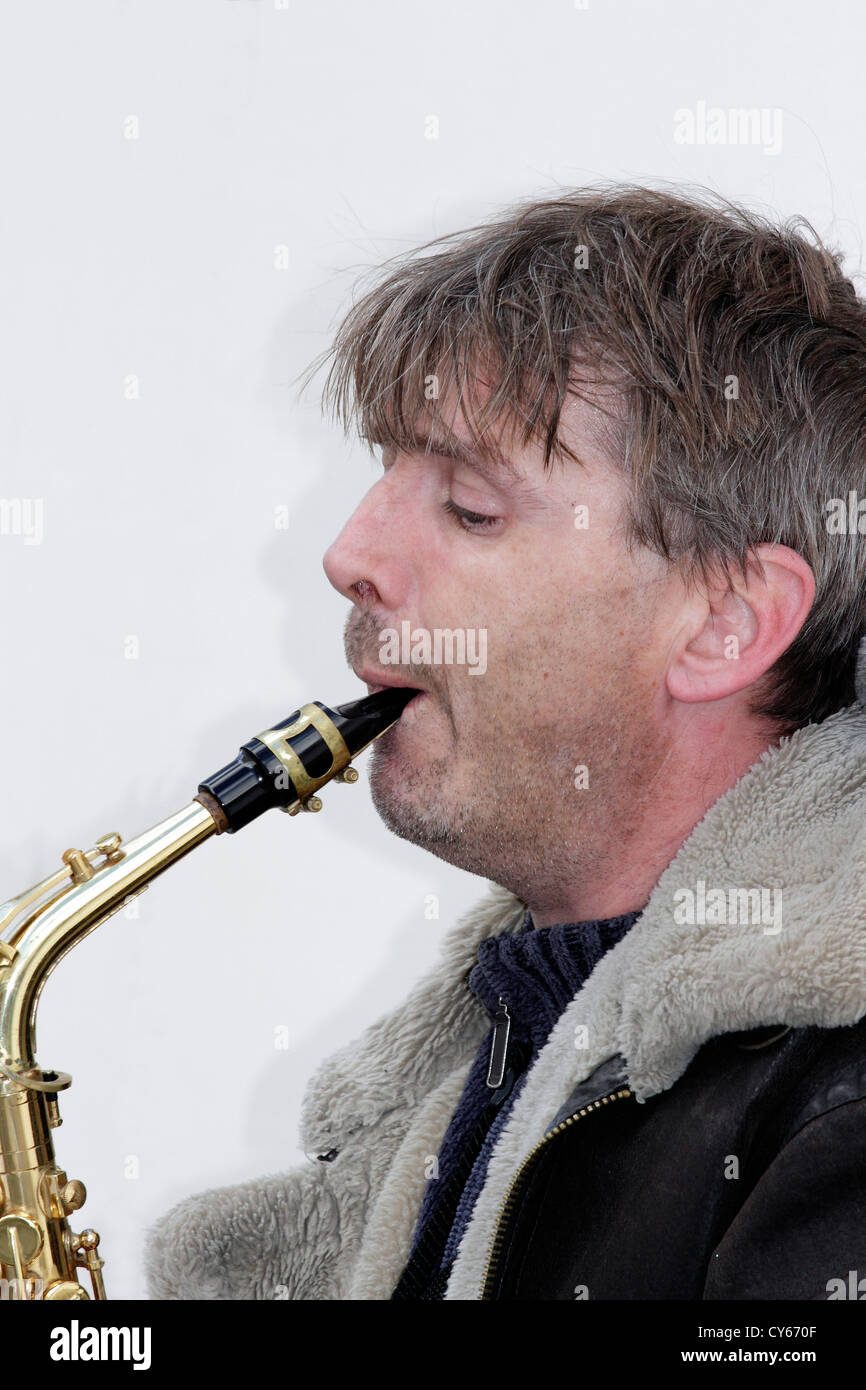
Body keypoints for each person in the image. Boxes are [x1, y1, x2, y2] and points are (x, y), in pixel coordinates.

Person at [145, 184, 866, 1300]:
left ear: (723, 620)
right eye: (385, 469)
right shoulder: (475, 1070)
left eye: (470, 508)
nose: (349, 553)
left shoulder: (839, 1120)